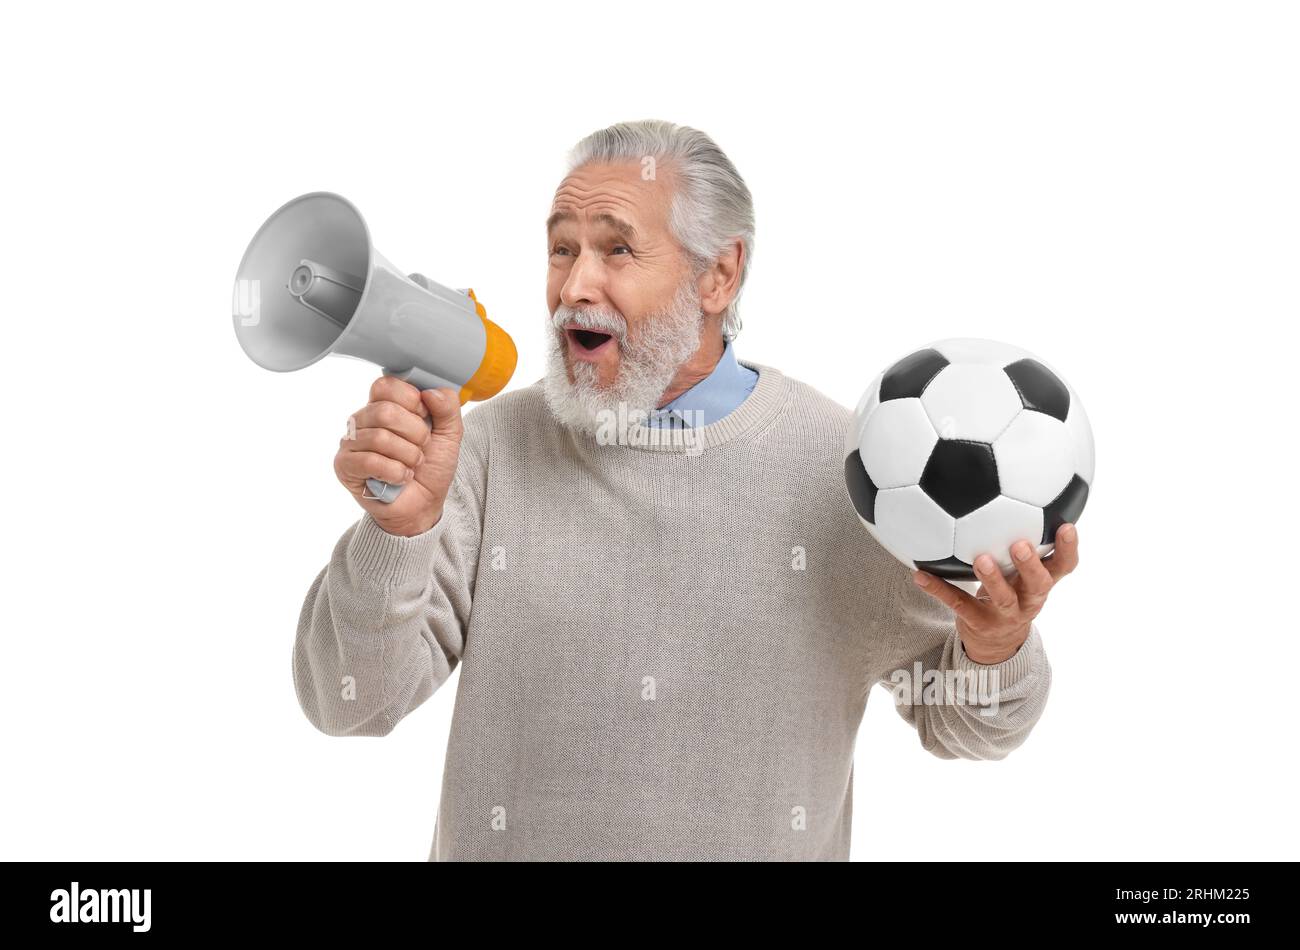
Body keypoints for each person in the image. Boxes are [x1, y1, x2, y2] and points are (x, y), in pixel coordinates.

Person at [293, 119, 1077, 861]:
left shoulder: (851, 473)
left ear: (718, 275)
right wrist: (397, 531)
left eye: (617, 249)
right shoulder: (483, 448)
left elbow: (971, 729)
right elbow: (350, 703)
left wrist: (997, 643)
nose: (575, 286)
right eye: (561, 249)